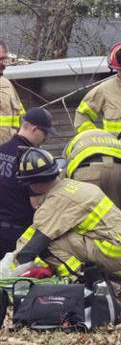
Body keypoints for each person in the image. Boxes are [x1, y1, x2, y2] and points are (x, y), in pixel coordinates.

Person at [12, 147, 121, 281]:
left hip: (113, 255)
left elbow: (32, 247)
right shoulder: (73, 187)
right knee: (59, 235)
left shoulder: (56, 202)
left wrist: (9, 272)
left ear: (34, 184)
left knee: (47, 245)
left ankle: (78, 280)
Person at [0, 108, 55, 255]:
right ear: (35, 129)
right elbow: (36, 204)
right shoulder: (30, 158)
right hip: (17, 235)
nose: (46, 139)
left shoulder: (1, 149)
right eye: (45, 133)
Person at [74, 40, 121, 143]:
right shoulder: (104, 89)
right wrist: (95, 140)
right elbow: (82, 115)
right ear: (115, 69)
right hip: (113, 154)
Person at [63, 129, 121, 218]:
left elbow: (64, 172)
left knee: (87, 216)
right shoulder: (111, 138)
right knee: (116, 216)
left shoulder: (75, 141)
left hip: (86, 172)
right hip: (118, 171)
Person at [0, 39, 25, 146]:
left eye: (4, 59)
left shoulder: (7, 85)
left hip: (9, 155)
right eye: (0, 59)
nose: (3, 64)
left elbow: (22, 118)